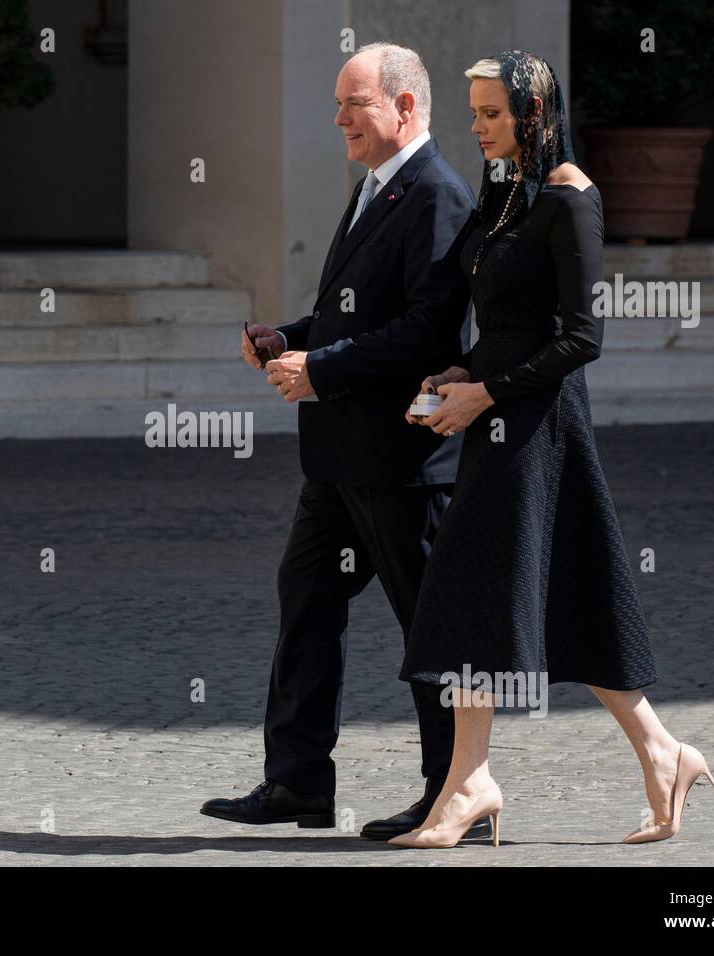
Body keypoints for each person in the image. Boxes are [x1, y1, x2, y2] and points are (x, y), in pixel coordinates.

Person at [389, 51, 714, 849]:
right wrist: (465, 369)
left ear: (534, 114)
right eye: (471, 113)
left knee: (478, 583)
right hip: (496, 412)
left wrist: (486, 393)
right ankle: (657, 752)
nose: (476, 128)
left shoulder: (572, 198)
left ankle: (473, 781)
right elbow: (508, 316)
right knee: (557, 591)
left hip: (538, 426)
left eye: (492, 114)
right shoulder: (506, 195)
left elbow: (581, 338)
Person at [199, 42, 488, 839]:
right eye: (338, 103)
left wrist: (319, 367)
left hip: (401, 461)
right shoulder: (377, 188)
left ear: (404, 107)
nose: (337, 120)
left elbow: (429, 330)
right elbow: (355, 314)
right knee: (306, 606)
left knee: (429, 630)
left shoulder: (439, 195)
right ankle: (297, 784)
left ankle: (454, 793)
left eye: (352, 105)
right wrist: (287, 335)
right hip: (337, 463)